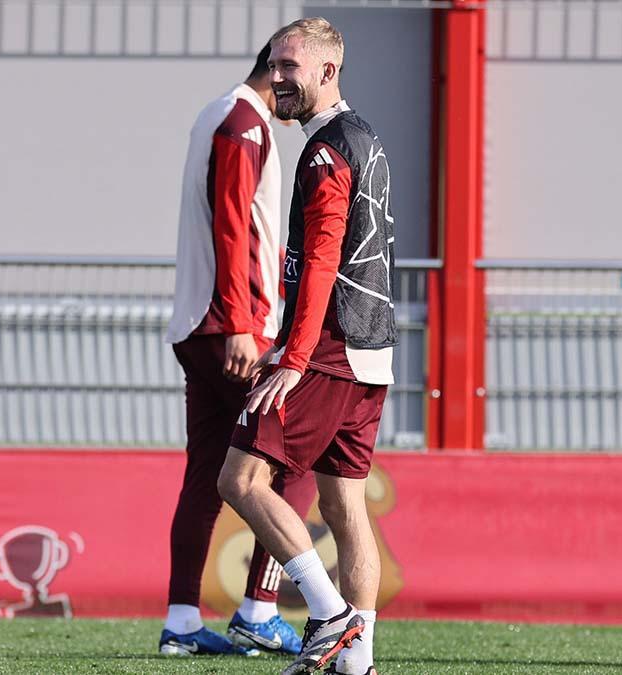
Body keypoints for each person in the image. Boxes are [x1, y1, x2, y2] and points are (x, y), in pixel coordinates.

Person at [216, 17, 396, 675]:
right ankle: (359, 663)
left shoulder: (325, 151)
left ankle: (327, 613)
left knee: (240, 478)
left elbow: (321, 258)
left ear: (327, 71)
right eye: (273, 65)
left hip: (329, 349)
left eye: (290, 66)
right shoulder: (364, 137)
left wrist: (293, 355)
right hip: (372, 351)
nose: (277, 77)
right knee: (344, 506)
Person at [162, 45, 317, 658]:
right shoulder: (244, 123)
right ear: (275, 73)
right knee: (295, 461)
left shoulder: (219, 113)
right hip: (230, 327)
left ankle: (180, 622)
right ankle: (258, 609)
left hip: (200, 323)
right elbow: (234, 227)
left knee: (206, 476)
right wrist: (240, 323)